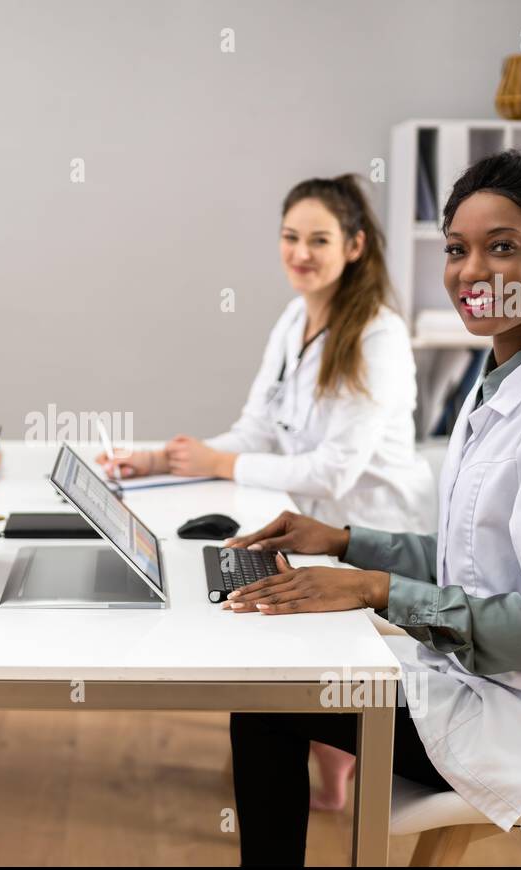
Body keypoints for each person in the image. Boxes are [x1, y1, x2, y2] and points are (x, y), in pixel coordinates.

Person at [223, 150, 521, 866]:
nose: (470, 271)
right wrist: (344, 540)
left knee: (270, 703)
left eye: (502, 247)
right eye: (457, 249)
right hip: (497, 688)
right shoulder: (502, 387)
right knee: (272, 691)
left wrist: (377, 589)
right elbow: (473, 561)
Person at [99, 174, 436, 808]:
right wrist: (164, 459)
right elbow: (257, 429)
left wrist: (222, 464)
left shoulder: (379, 337)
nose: (300, 253)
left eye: (319, 239)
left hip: (365, 533)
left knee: (267, 626)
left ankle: (332, 755)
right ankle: (315, 754)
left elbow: (331, 471)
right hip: (306, 523)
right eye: (290, 237)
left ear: (355, 246)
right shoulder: (295, 318)